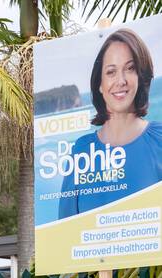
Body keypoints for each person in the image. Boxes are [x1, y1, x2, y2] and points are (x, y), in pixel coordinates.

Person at [59, 29, 162, 217]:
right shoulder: (82, 152)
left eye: (130, 68)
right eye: (111, 72)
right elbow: (64, 230)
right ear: (99, 83)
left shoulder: (159, 141)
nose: (120, 81)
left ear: (140, 76)